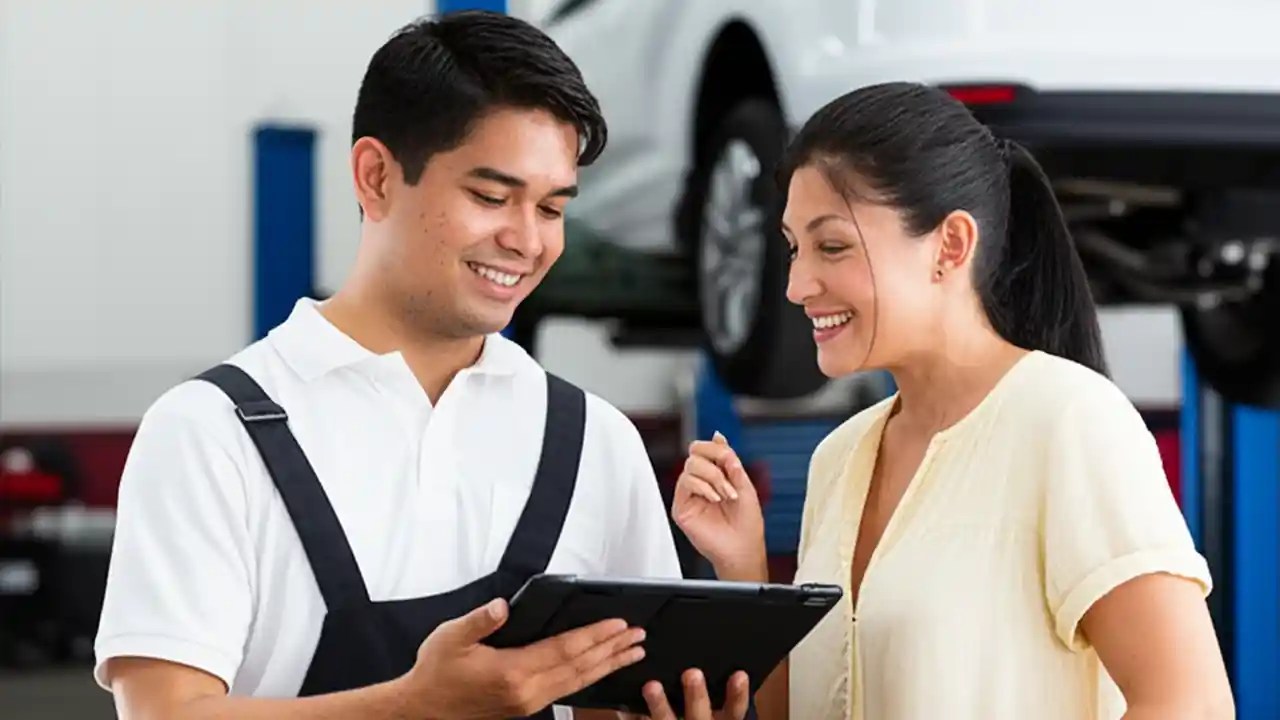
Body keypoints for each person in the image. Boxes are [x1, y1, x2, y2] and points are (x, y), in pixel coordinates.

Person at [94, 11, 748, 720]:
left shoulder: (595, 440)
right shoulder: (209, 434)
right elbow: (164, 712)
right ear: (376, 177)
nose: (526, 240)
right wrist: (414, 706)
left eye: (552, 208)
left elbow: (616, 695)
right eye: (491, 197)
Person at [672, 81, 1236, 720]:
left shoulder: (1070, 420)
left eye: (832, 246)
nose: (798, 285)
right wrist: (745, 569)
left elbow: (1189, 703)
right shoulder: (839, 458)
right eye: (794, 248)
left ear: (950, 246)